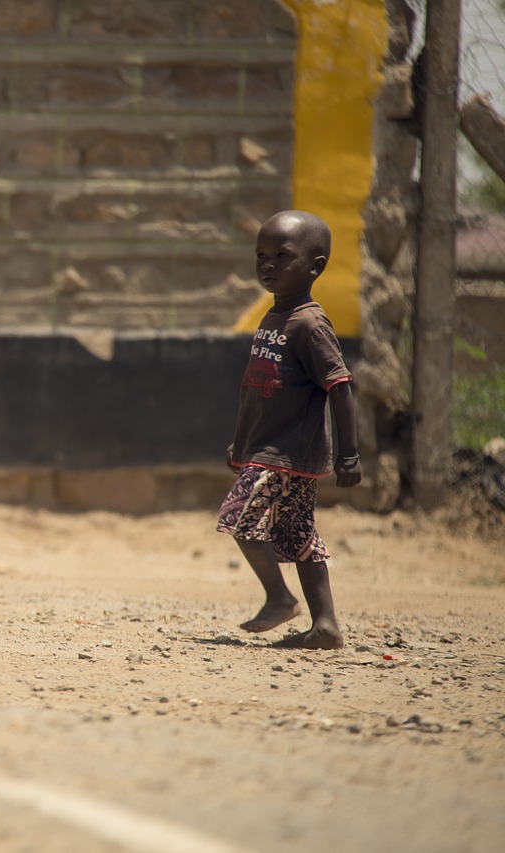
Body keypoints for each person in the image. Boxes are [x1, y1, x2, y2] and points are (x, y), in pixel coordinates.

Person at [217, 210, 362, 650]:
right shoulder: (274, 317)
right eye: (262, 255)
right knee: (298, 535)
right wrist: (241, 445)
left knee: (240, 520)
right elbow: (262, 393)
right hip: (268, 450)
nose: (268, 264)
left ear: (315, 267)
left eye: (283, 255)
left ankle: (280, 598)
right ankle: (326, 626)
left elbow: (340, 387)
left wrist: (349, 454)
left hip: (286, 453)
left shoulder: (309, 323)